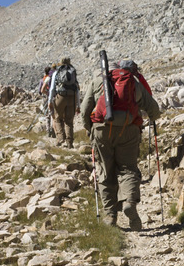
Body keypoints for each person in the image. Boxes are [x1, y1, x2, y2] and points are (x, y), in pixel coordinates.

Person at [79, 58, 161, 230]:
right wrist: (152, 119)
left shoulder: (97, 82)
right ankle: (129, 202)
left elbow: (85, 109)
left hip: (102, 131)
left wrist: (90, 129)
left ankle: (110, 215)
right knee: (128, 168)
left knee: (105, 171)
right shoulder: (132, 81)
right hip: (128, 130)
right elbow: (152, 107)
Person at [47, 58, 80, 148]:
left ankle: (61, 138)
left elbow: (52, 88)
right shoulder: (73, 72)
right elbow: (77, 88)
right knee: (69, 121)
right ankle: (70, 143)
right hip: (72, 97)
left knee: (58, 118)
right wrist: (78, 104)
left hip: (60, 96)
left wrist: (50, 101)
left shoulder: (57, 72)